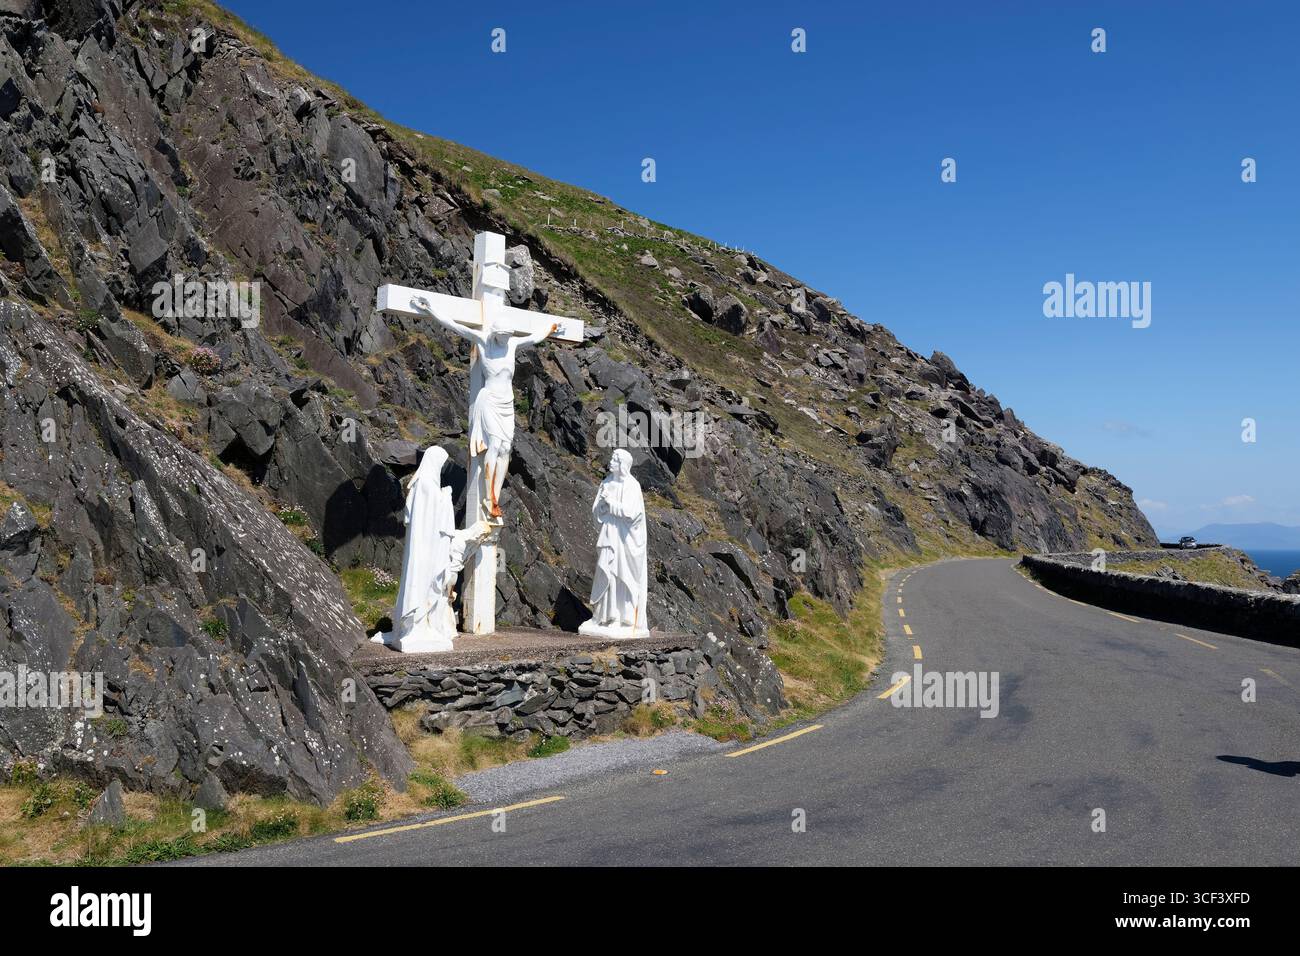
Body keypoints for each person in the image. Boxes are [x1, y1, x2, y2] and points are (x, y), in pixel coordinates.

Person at [411, 294, 556, 518]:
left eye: (508, 336)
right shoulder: (483, 340)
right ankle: (489, 496)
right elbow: (455, 325)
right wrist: (431, 310)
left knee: (506, 449)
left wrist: (552, 328)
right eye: (502, 336)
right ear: (495, 333)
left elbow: (535, 337)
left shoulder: (513, 344)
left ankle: (495, 495)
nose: (506, 339)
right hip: (489, 400)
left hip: (507, 403)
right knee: (495, 445)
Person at [580, 449, 649, 638]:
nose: (610, 462)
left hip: (626, 539)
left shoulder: (632, 486)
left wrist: (610, 503)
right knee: (607, 572)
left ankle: (622, 618)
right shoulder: (607, 482)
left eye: (615, 460)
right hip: (610, 534)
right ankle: (604, 616)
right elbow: (597, 511)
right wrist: (602, 505)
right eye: (611, 459)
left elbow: (632, 513)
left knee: (622, 576)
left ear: (623, 465)